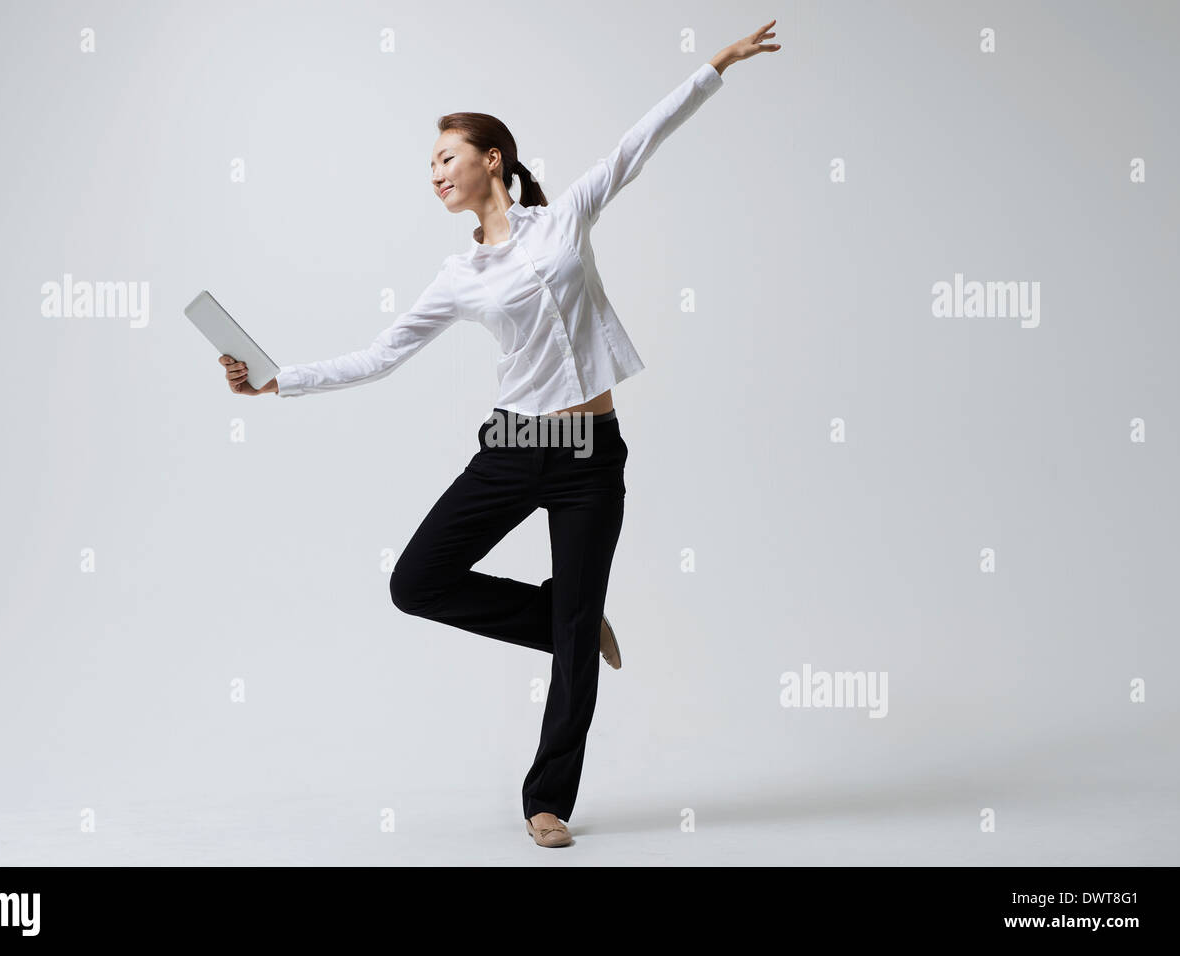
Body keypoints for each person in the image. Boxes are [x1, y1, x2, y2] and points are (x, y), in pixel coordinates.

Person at [218, 22, 781, 847]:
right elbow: (382, 355)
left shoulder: (563, 222)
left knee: (572, 644)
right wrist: (277, 379)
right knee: (417, 581)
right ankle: (570, 619)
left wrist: (716, 66)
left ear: (494, 159)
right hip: (515, 450)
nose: (435, 173)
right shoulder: (458, 278)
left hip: (591, 457)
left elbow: (638, 143)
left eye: (447, 157)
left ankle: (546, 801)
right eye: (430, 166)